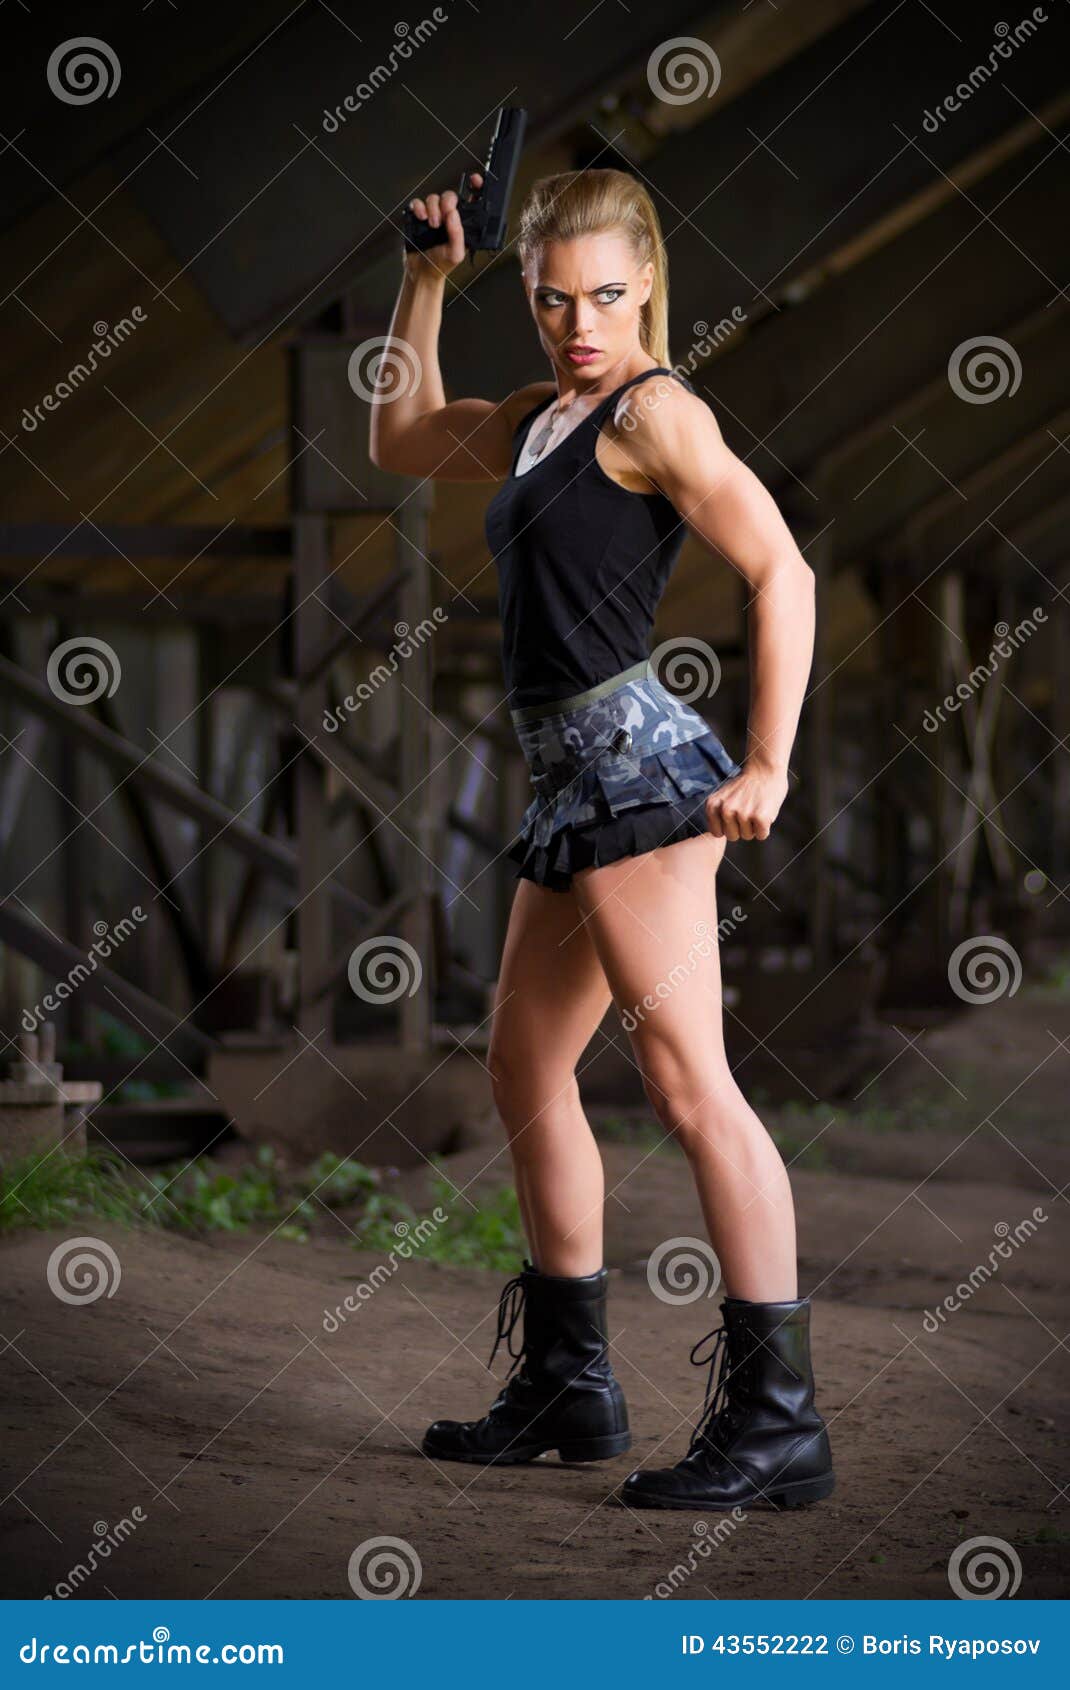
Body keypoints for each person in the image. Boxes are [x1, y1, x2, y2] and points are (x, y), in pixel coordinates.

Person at [369, 166, 833, 1511]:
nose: (581, 324)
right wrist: (424, 279)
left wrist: (766, 760)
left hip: (640, 782)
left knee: (692, 1089)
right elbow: (399, 440)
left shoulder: (654, 409)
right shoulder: (536, 414)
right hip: (567, 788)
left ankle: (777, 1422)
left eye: (609, 299)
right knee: (523, 1067)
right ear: (528, 292)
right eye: (554, 299)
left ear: (648, 289)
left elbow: (781, 570)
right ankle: (572, 1387)